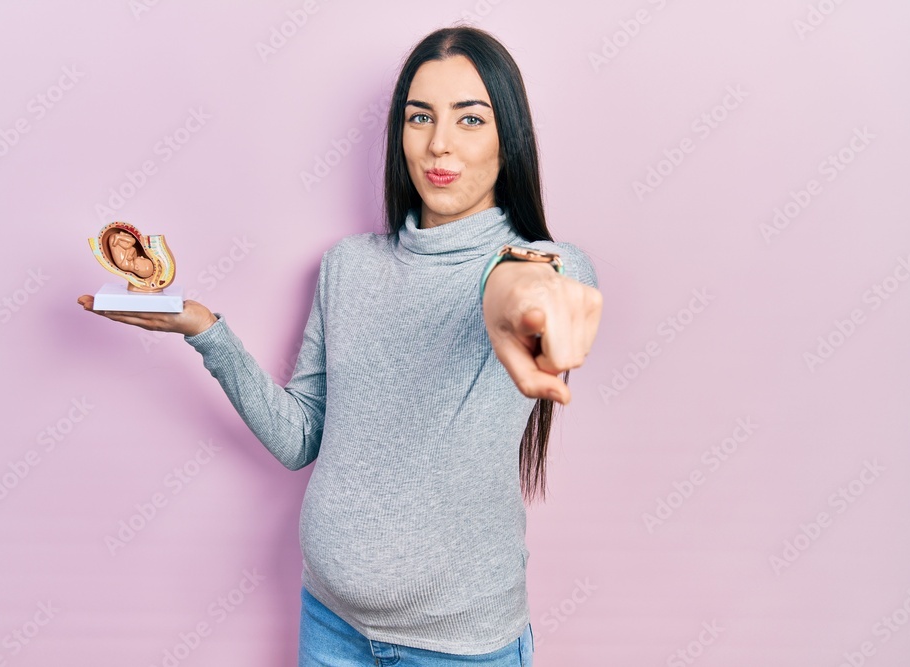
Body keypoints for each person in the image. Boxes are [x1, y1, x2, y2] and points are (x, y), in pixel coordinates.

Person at [78, 25, 602, 667]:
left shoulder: (546, 264)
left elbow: (529, 290)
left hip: (459, 649)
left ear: (508, 138)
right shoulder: (348, 267)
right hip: (331, 628)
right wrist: (206, 332)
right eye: (419, 117)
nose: (439, 144)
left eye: (470, 119)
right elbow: (302, 439)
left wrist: (519, 305)